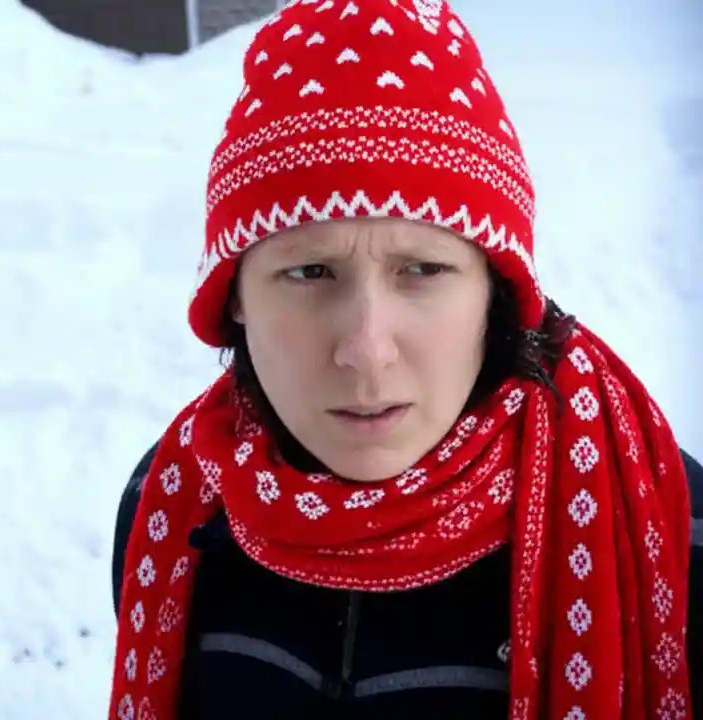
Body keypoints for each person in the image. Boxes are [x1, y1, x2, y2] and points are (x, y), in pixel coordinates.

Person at [107, 1, 703, 719]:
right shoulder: (170, 511)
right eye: (309, 273)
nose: (365, 350)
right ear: (232, 297)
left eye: (422, 270)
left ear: (497, 292)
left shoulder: (662, 525)